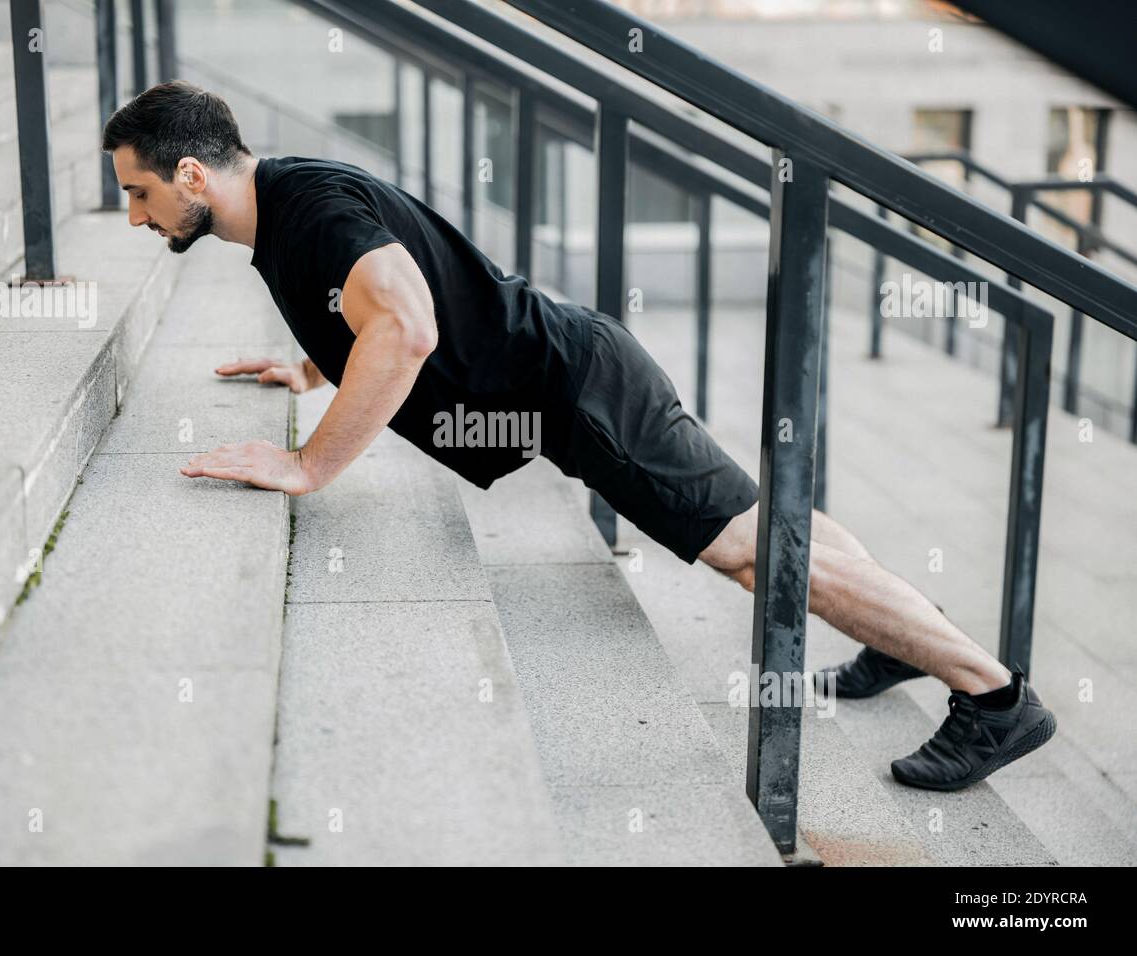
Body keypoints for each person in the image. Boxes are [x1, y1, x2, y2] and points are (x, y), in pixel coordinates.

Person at [101, 81, 1056, 792]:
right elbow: (377, 304)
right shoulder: (288, 205)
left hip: (577, 394)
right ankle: (906, 632)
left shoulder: (308, 210)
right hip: (573, 376)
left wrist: (311, 464)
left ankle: (992, 697)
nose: (137, 217)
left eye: (140, 194)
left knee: (748, 553)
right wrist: (312, 367)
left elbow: (409, 325)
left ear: (191, 173)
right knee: (761, 526)